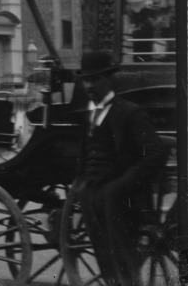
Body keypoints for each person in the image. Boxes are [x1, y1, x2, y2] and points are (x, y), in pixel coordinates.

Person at [75, 50, 167, 286]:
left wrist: (121, 184)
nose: (89, 86)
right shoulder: (90, 114)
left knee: (125, 256)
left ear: (109, 79)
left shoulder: (130, 113)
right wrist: (81, 183)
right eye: (86, 80)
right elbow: (87, 153)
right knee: (104, 255)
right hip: (93, 195)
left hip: (123, 198)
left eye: (94, 79)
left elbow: (156, 153)